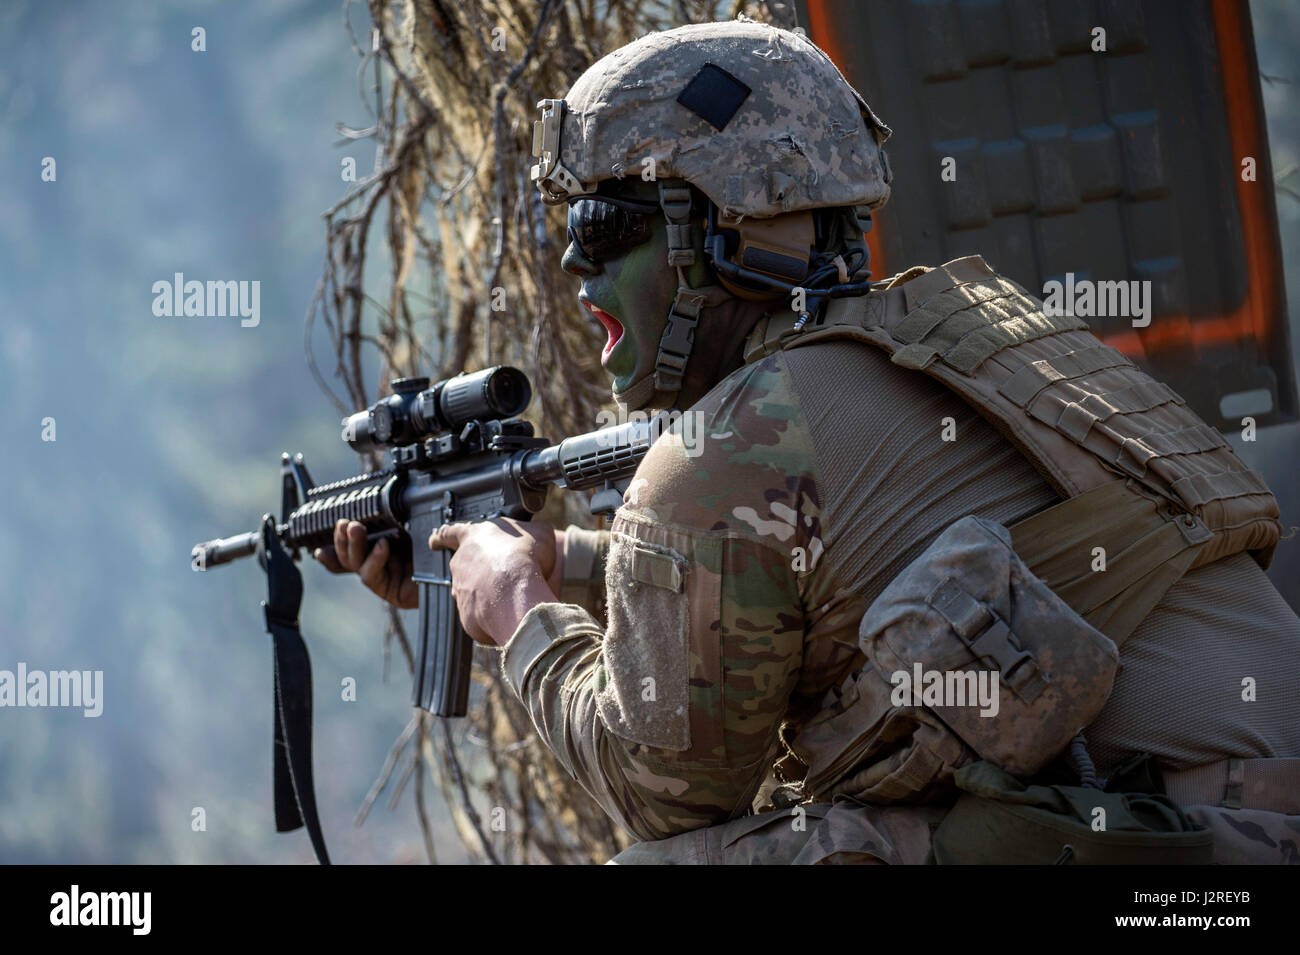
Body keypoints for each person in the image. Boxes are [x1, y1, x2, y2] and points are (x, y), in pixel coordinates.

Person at [316, 19, 1300, 864]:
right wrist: (563, 561)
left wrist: (518, 609)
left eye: (604, 225)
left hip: (1180, 846)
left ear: (719, 232)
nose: (576, 267)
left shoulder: (729, 448)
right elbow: (786, 583)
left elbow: (659, 789)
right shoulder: (970, 339)